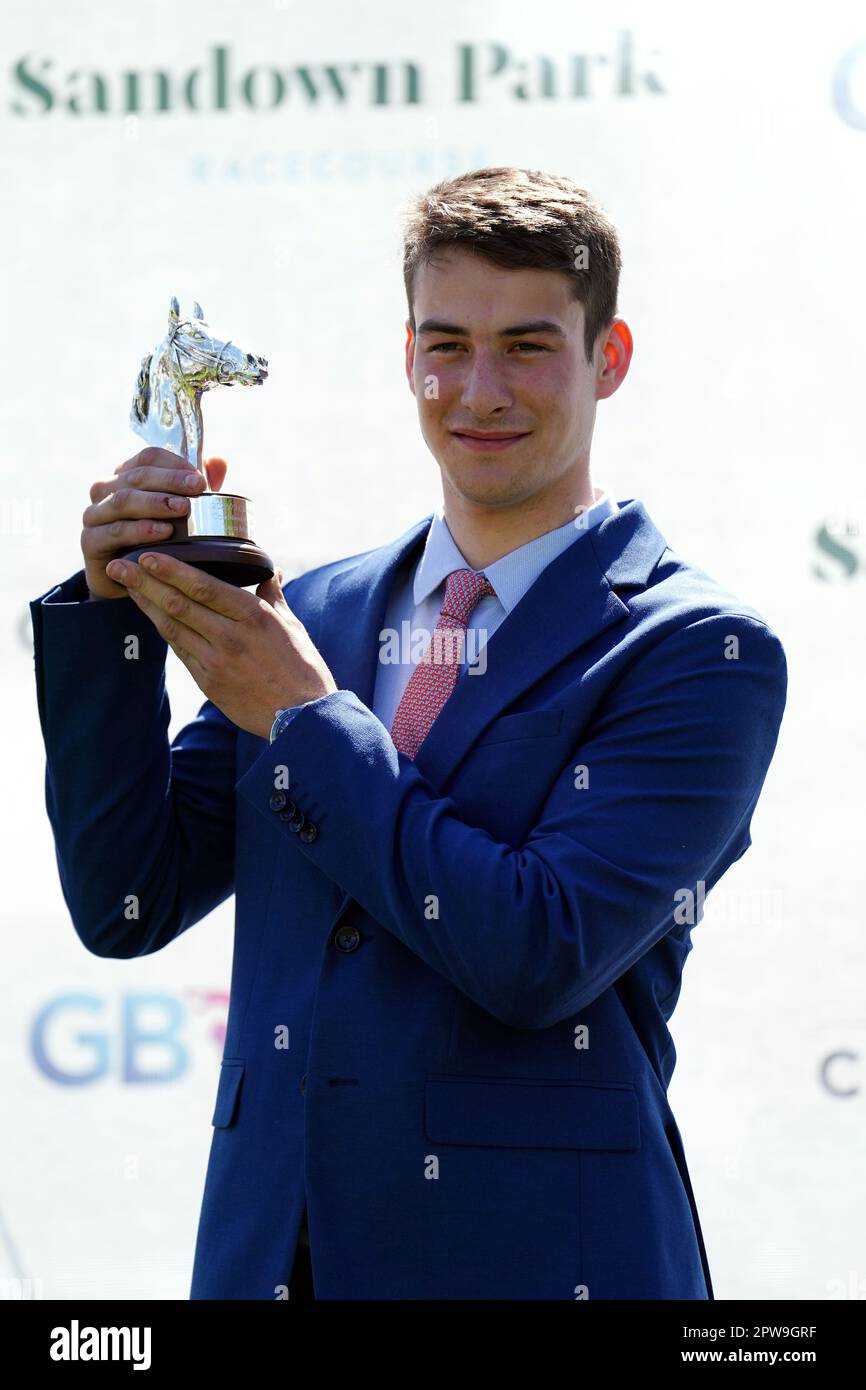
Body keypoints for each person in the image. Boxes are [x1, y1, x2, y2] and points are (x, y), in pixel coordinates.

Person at [30, 166, 787, 1300]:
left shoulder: (695, 648)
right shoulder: (318, 614)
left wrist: (300, 713)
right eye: (447, 342)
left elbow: (536, 953)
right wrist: (111, 615)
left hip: (533, 1263)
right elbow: (125, 901)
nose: (478, 388)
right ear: (407, 355)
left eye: (527, 345)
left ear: (608, 359)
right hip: (266, 1258)